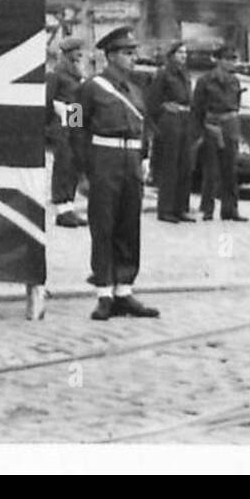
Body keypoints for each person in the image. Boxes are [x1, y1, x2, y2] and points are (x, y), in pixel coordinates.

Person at [78, 27, 159, 320]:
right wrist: (82, 172)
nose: (133, 58)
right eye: (127, 53)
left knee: (129, 225)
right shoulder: (91, 87)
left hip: (131, 161)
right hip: (104, 159)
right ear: (110, 56)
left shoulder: (135, 90)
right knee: (104, 225)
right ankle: (104, 293)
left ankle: (124, 290)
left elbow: (144, 125)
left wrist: (145, 157)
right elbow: (74, 129)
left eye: (133, 52)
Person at [192, 44, 248, 222]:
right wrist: (201, 129)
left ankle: (230, 210)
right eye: (228, 59)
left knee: (230, 170)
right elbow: (197, 107)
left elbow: (236, 105)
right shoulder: (205, 80)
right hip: (212, 125)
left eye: (234, 59)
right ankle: (207, 209)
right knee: (210, 171)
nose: (232, 63)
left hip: (230, 125)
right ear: (219, 60)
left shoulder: (235, 81)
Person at [146, 40, 197, 224]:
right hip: (170, 121)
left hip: (185, 119)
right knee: (170, 166)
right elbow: (152, 102)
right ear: (171, 55)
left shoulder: (184, 74)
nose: (184, 56)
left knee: (185, 165)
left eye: (185, 53)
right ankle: (166, 209)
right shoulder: (163, 74)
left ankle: (180, 208)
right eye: (180, 53)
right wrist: (164, 111)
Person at [46, 36, 87, 228]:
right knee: (64, 163)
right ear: (68, 52)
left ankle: (69, 207)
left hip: (75, 117)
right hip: (63, 118)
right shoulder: (58, 73)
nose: (80, 53)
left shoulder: (76, 72)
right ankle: (61, 210)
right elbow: (48, 99)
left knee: (74, 163)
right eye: (77, 50)